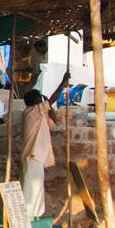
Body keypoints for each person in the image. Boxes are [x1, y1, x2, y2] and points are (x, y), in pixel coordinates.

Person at [20, 70, 69, 219]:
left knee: (37, 187)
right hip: (32, 155)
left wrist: (50, 106)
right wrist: (62, 83)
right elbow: (53, 99)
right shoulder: (31, 112)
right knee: (31, 187)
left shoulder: (40, 114)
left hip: (37, 156)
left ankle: (35, 215)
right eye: (39, 99)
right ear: (36, 101)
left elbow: (53, 121)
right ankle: (29, 216)